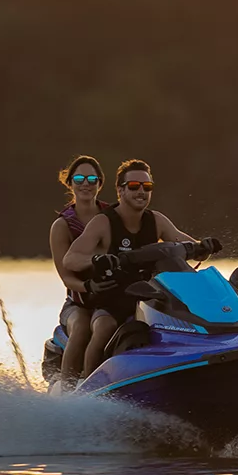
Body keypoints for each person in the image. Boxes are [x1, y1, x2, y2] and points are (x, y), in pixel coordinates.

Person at [61, 160, 204, 378]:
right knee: (103, 329)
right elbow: (70, 259)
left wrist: (205, 246)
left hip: (152, 297)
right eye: (134, 186)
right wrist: (98, 260)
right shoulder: (103, 222)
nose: (141, 192)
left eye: (147, 187)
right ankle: (87, 385)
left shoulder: (157, 220)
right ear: (120, 190)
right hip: (112, 299)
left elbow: (188, 245)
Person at [47, 155, 106, 390]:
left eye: (92, 179)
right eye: (79, 178)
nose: (86, 184)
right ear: (70, 183)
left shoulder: (112, 216)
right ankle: (69, 391)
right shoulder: (61, 226)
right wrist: (89, 287)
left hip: (113, 297)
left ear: (100, 184)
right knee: (82, 326)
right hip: (78, 302)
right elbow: (66, 276)